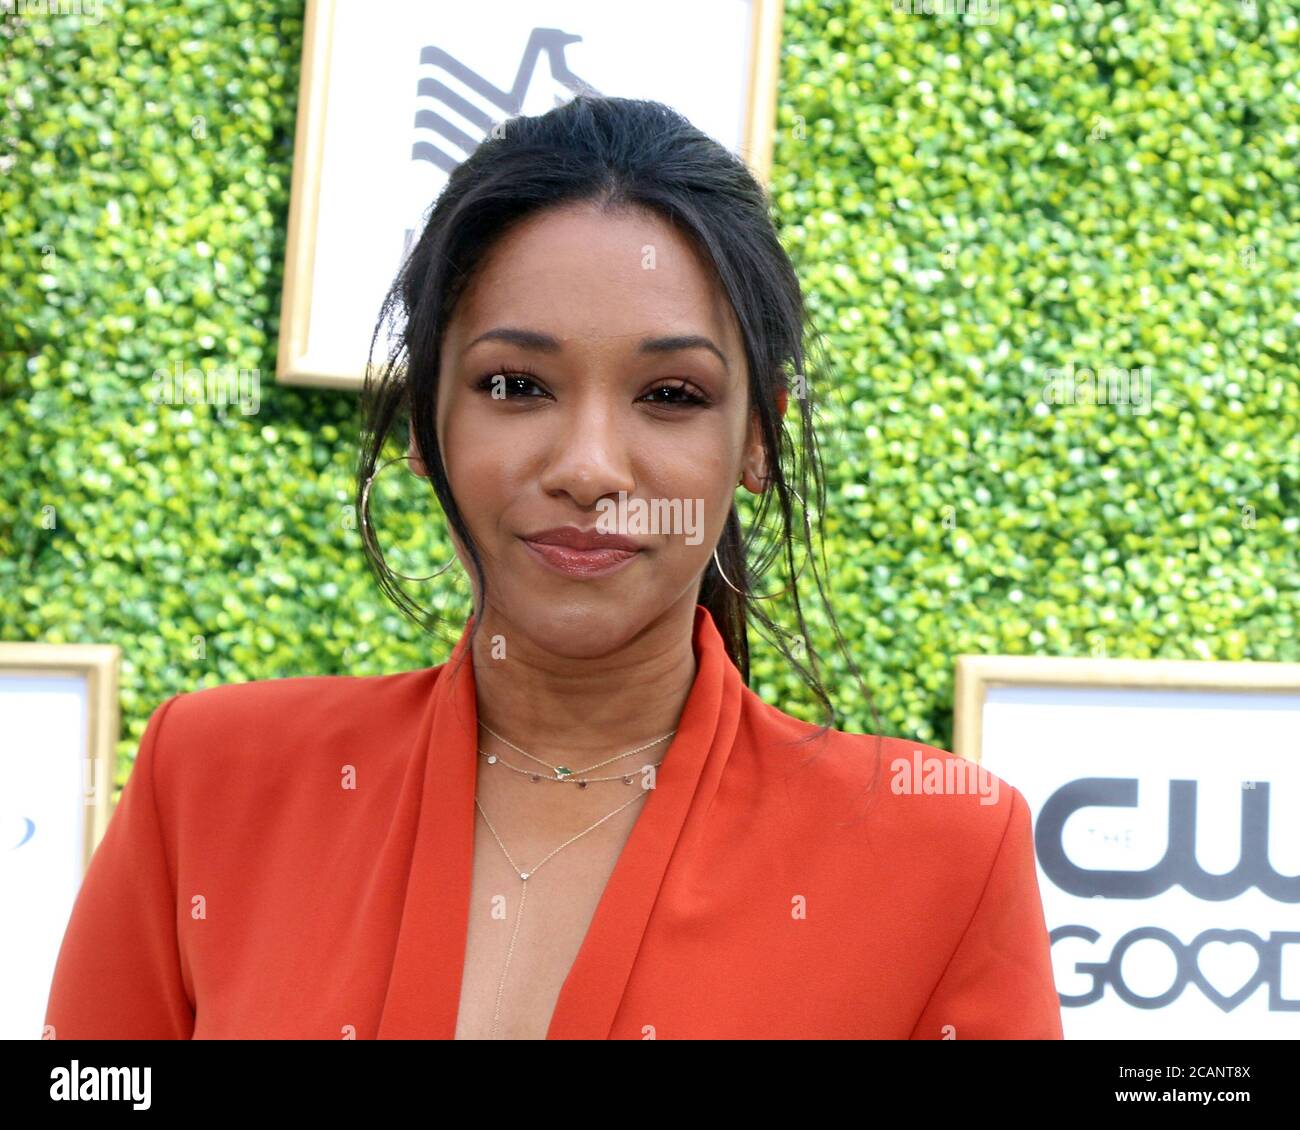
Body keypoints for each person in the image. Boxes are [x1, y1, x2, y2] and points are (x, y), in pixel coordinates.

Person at [43, 95, 1062, 1039]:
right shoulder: (214, 780)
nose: (586, 467)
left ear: (759, 437)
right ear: (423, 419)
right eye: (514, 383)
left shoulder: (941, 849)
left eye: (669, 394)